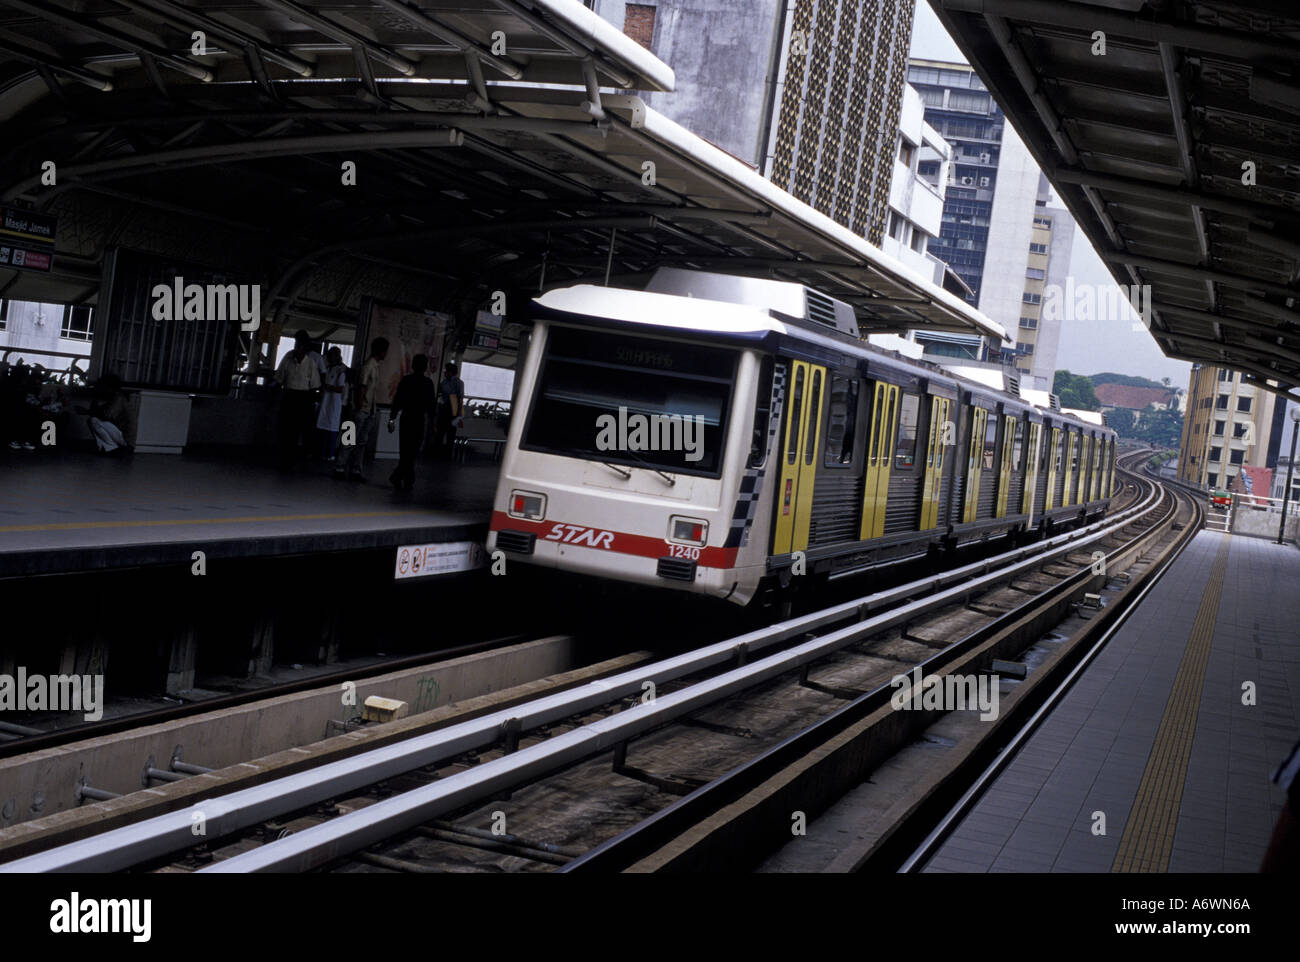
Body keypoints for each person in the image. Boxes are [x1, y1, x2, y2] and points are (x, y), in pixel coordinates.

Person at [334, 336, 388, 481]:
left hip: (367, 409)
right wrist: (358, 407)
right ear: (381, 351)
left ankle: (353, 469)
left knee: (359, 441)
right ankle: (341, 466)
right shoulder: (369, 366)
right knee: (351, 439)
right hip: (361, 409)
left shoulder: (373, 366)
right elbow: (362, 388)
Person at [387, 354, 437, 490]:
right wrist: (433, 424)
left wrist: (392, 418)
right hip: (419, 420)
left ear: (413, 365)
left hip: (406, 418)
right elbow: (431, 406)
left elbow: (397, 400)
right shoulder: (428, 383)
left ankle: (401, 477)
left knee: (404, 450)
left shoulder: (406, 380)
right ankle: (405, 478)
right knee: (413, 451)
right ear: (426, 367)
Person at [274, 330, 322, 469]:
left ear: (305, 348)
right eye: (296, 344)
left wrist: (311, 404)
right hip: (289, 396)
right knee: (286, 430)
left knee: (298, 431)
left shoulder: (311, 363)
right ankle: (285, 459)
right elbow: (279, 379)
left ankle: (293, 459)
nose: (297, 348)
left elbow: (314, 387)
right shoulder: (288, 358)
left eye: (300, 345)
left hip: (303, 398)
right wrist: (275, 398)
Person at [86, 373, 133, 455]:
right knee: (93, 420)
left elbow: (106, 416)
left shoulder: (118, 398)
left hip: (126, 439)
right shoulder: (113, 397)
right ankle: (107, 448)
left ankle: (112, 447)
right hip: (121, 435)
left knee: (93, 420)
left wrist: (87, 411)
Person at [316, 346, 348, 460]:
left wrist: (328, 387)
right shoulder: (328, 369)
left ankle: (330, 453)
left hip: (335, 402)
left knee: (332, 427)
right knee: (323, 426)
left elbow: (340, 389)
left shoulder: (341, 370)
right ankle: (322, 452)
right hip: (326, 401)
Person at [435, 361, 466, 459]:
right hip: (453, 410)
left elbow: (441, 394)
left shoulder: (446, 382)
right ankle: (446, 455)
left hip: (448, 410)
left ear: (450, 372)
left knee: (441, 433)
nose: (444, 373)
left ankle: (439, 454)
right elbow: (460, 398)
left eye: (446, 371)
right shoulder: (459, 383)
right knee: (450, 434)